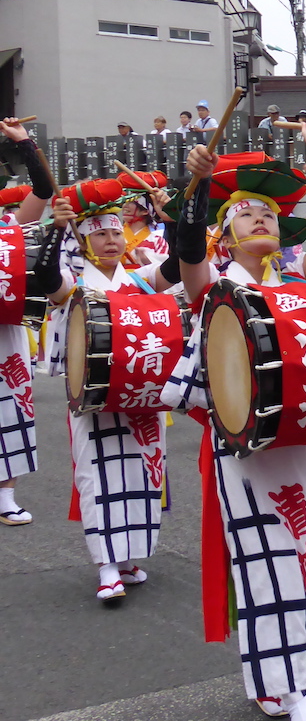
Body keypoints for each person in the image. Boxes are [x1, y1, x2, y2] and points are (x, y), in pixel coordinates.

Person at [166, 129, 306, 721]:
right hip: (242, 448)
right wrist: (197, 185)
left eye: (269, 211)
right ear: (224, 236)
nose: (261, 217)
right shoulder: (212, 288)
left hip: (304, 443)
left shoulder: (300, 277)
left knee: (290, 563)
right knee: (266, 565)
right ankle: (298, 695)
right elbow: (186, 245)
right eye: (245, 213)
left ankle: (270, 676)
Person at [38, 177, 179, 601]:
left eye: (116, 232)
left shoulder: (140, 279)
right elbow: (46, 278)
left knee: (143, 475)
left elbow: (177, 267)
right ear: (83, 241)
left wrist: (172, 220)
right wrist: (55, 229)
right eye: (100, 234)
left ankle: (129, 556)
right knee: (99, 477)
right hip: (94, 399)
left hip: (141, 397)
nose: (112, 240)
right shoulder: (75, 284)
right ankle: (106, 566)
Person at [0, 120, 55, 528]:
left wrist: (25, 143)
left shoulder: (9, 228)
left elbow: (43, 190)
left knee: (10, 410)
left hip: (6, 335)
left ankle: (5, 494)